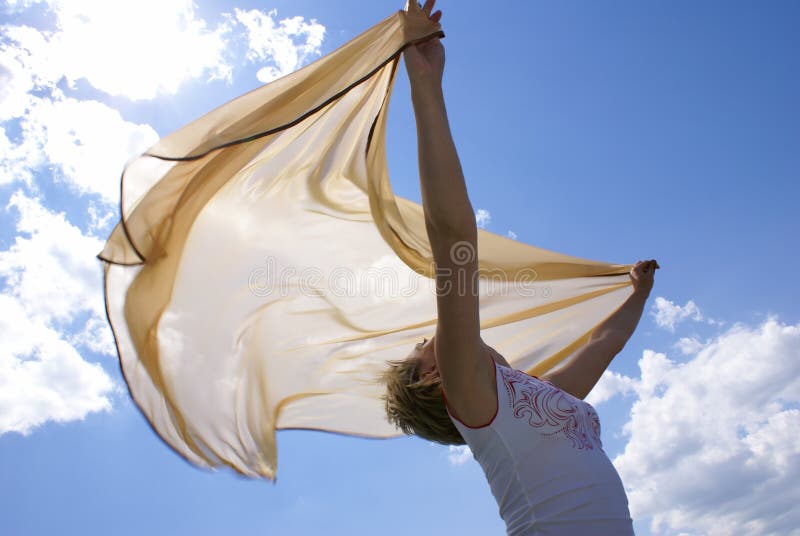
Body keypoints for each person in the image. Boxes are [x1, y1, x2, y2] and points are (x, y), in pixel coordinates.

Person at [382, 1, 658, 534]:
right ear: (436, 378)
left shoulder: (536, 398)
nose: (434, 336)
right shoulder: (472, 395)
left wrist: (637, 294)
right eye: (426, 344)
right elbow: (454, 240)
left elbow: (604, 345)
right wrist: (426, 85)